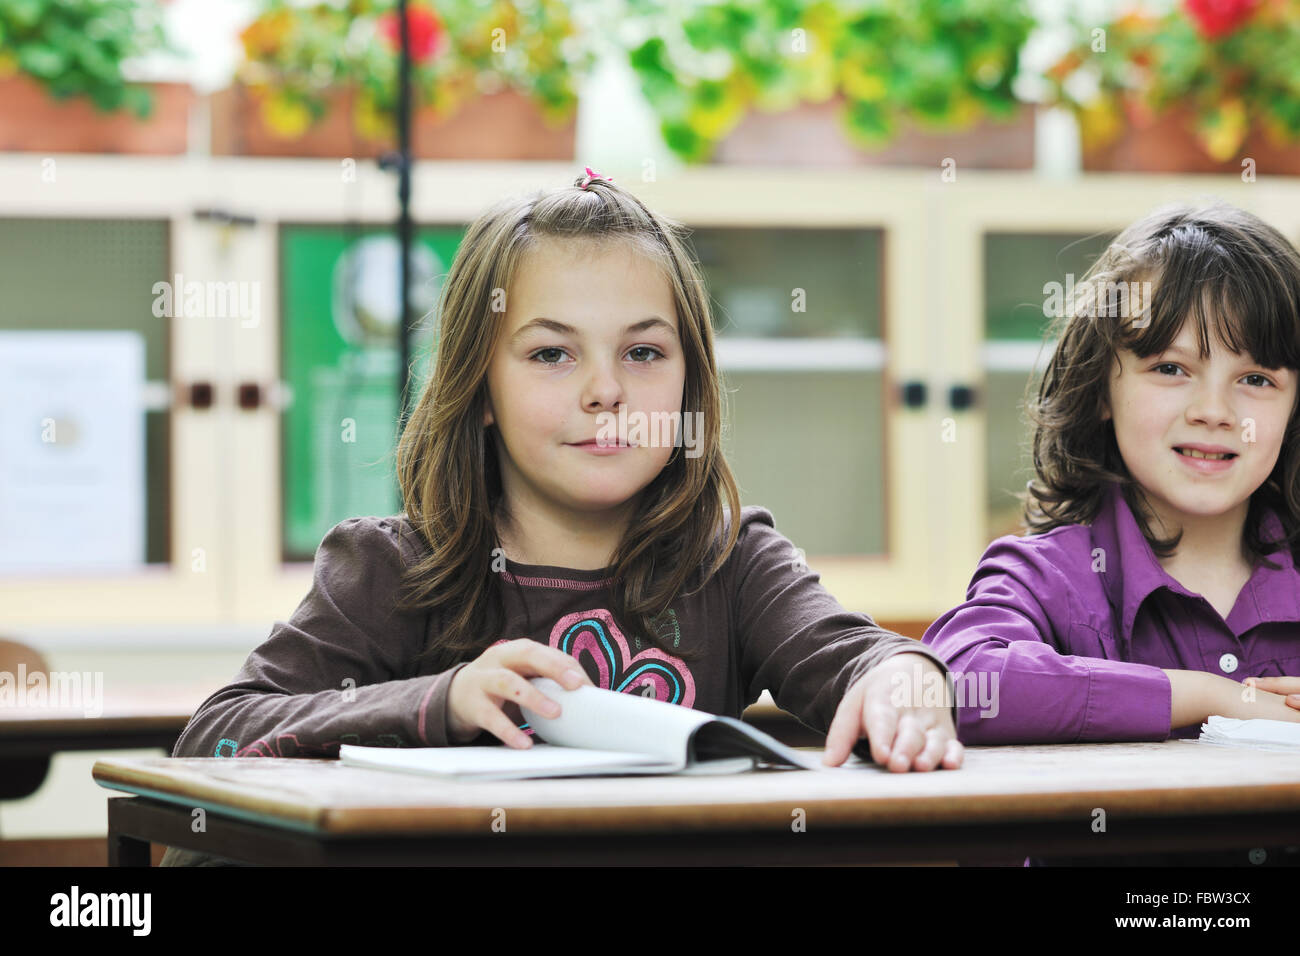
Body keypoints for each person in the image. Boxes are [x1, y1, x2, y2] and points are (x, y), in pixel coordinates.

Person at [162, 169, 961, 865]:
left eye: (643, 353)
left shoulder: (732, 561)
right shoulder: (390, 568)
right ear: (478, 389)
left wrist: (904, 675)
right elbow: (217, 738)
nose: (604, 391)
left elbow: (855, 656)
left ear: (690, 382)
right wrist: (437, 702)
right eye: (552, 354)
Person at [923, 201, 1300, 865]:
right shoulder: (1046, 576)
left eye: (1255, 379)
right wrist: (1215, 698)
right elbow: (954, 683)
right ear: (1101, 385)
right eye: (1170, 368)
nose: (1213, 411)